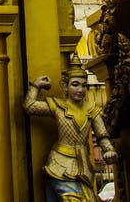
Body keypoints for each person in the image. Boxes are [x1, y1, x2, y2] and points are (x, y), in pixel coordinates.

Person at [24, 56, 117, 201]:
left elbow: (102, 135)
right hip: (60, 164)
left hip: (83, 167)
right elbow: (30, 107)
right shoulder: (58, 107)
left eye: (84, 85)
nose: (80, 90)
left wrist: (109, 149)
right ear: (65, 87)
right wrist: (35, 86)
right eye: (75, 84)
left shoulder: (91, 109)